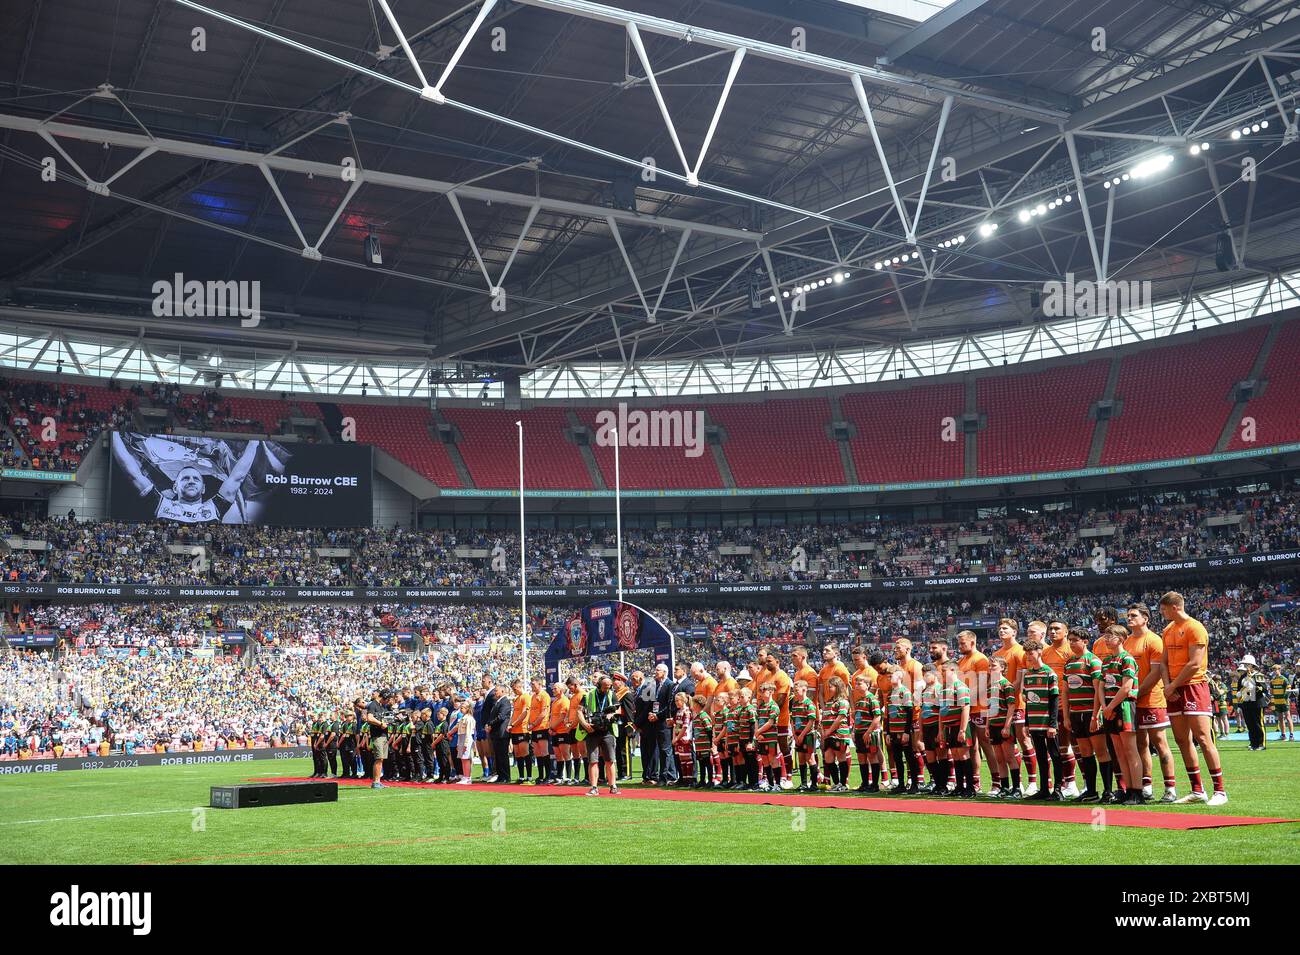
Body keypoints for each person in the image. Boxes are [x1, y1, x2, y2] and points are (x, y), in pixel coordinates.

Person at [1160, 591, 1228, 805]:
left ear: (1175, 607)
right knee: (1181, 740)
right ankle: (1197, 790)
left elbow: (1195, 664)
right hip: (1175, 688)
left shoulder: (1195, 627)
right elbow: (1163, 662)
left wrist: (1172, 685)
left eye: (1163, 609)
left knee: (1203, 738)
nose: (1161, 613)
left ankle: (1220, 791)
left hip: (1194, 686)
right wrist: (1168, 687)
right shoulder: (1168, 630)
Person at [1124, 603, 1177, 802]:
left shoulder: (1154, 640)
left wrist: (1136, 693)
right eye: (1128, 615)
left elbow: (1155, 673)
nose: (1129, 618)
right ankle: (1146, 785)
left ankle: (1170, 787)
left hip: (1152, 699)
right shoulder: (1127, 642)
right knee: (1140, 744)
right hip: (1133, 700)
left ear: (1145, 619)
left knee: (1160, 743)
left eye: (1134, 615)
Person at [1098, 624, 1143, 805]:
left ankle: (1137, 792)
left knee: (1131, 750)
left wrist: (1110, 707)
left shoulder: (1127, 659)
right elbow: (1101, 686)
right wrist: (1103, 706)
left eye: (1111, 636)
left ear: (1121, 639)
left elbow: (1126, 687)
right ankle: (1127, 790)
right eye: (1106, 636)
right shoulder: (1107, 661)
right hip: (1109, 707)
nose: (1107, 640)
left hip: (1124, 707)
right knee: (1119, 752)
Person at [1063, 627, 1106, 802]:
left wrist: (1096, 715)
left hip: (1090, 713)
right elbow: (1065, 692)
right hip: (1076, 714)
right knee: (1085, 752)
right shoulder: (1069, 663)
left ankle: (1108, 791)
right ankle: (1091, 791)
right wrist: (1066, 716)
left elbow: (1098, 690)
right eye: (1070, 640)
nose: (1072, 643)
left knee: (1101, 752)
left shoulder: (1093, 661)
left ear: (1085, 641)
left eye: (1075, 640)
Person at [1021, 639, 1062, 801]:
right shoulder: (1029, 674)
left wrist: (1053, 724)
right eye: (1027, 653)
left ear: (1040, 652)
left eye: (1031, 653)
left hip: (1047, 723)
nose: (1028, 656)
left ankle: (1058, 790)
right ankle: (1044, 789)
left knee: (1055, 754)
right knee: (1041, 756)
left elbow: (1054, 700)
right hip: (1034, 722)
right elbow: (1029, 702)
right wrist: (1026, 723)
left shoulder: (1049, 673)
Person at [579, 674, 621, 796]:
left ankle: (613, 786)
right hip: (592, 731)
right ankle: (594, 787)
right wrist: (585, 724)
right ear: (598, 685)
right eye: (604, 686)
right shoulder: (588, 695)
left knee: (610, 760)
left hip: (608, 731)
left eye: (609, 686)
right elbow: (579, 711)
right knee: (593, 761)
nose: (607, 689)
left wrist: (610, 715)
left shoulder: (612, 694)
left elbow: (618, 709)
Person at [790, 679, 820, 791]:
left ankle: (814, 784)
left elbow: (811, 721)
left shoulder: (809, 704)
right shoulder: (795, 704)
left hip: (807, 735)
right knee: (801, 759)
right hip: (797, 735)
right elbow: (792, 721)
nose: (795, 693)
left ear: (804, 689)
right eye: (794, 690)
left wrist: (802, 735)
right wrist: (794, 735)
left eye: (796, 690)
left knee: (810, 759)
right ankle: (803, 783)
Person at [484, 680, 513, 783]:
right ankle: (501, 776)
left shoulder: (505, 702)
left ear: (502, 691)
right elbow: (494, 716)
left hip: (502, 733)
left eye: (496, 691)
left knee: (503, 755)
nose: (495, 693)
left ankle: (506, 777)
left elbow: (501, 717)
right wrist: (488, 724)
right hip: (496, 733)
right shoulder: (498, 702)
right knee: (498, 755)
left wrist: (490, 724)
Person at [360, 691, 389, 789]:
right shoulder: (373, 705)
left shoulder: (381, 706)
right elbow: (370, 718)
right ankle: (375, 782)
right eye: (387, 699)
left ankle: (378, 781)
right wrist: (381, 724)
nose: (388, 701)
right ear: (384, 697)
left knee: (381, 759)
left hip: (383, 734)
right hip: (377, 735)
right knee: (378, 758)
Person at [1237, 657, 1266, 751]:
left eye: (1247, 664)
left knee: (1258, 724)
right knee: (1250, 724)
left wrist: (1253, 688)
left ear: (1252, 665)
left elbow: (1263, 689)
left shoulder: (1258, 675)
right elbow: (1239, 689)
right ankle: (1253, 744)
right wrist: (1239, 702)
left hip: (1257, 703)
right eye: (1244, 664)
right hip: (1246, 703)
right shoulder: (1243, 676)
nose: (1245, 666)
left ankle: (1261, 744)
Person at [690, 694, 715, 788]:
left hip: (705, 744)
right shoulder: (697, 717)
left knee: (707, 762)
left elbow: (709, 729)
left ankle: (710, 780)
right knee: (701, 762)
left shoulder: (703, 716)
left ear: (697, 704)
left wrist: (710, 744)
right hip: (699, 744)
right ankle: (702, 780)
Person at [1268, 664, 1292, 742]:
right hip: (1277, 702)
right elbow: (1271, 692)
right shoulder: (1272, 681)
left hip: (1284, 702)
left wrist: (1285, 698)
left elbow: (1289, 690)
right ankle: (1283, 735)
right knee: (1280, 719)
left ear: (1280, 670)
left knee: (1288, 718)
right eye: (1274, 670)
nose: (1275, 671)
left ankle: (1291, 735)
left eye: (1277, 669)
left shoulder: (1284, 679)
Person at [456, 701, 476, 784]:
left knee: (466, 758)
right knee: (462, 758)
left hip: (466, 738)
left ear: (467, 709)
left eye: (463, 707)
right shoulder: (463, 718)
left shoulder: (469, 718)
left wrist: (465, 743)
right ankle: (465, 776)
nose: (461, 709)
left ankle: (467, 777)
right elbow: (459, 732)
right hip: (461, 737)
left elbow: (468, 732)